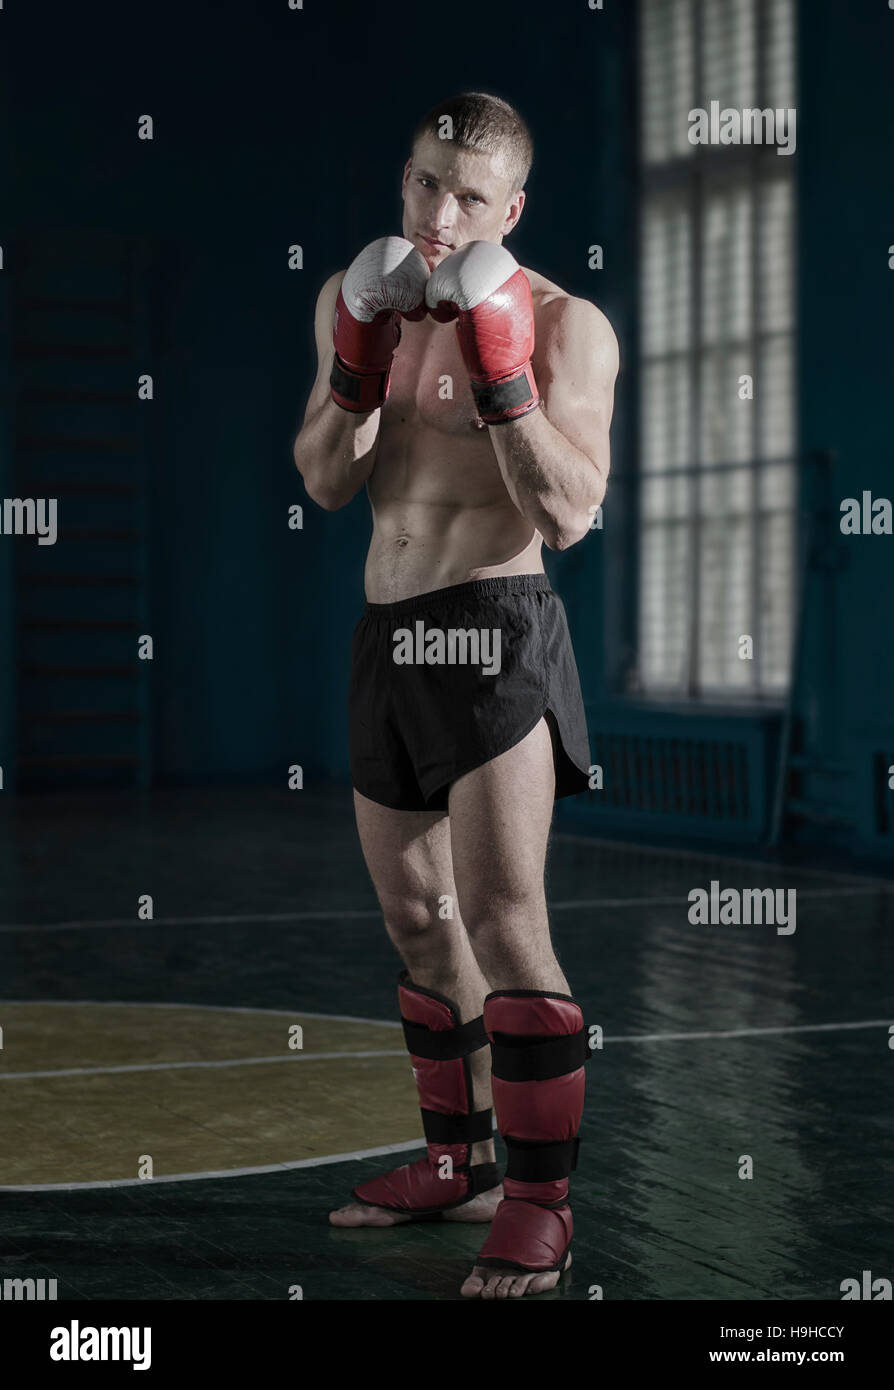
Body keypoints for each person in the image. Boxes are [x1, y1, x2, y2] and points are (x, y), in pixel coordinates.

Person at [293, 91, 618, 1300]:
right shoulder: (355, 292)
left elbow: (573, 513)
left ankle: (541, 1203)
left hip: (494, 628)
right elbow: (324, 481)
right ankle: (457, 1161)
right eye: (425, 183)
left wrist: (505, 377)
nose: (438, 215)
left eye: (469, 197)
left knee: (502, 916)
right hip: (388, 629)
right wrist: (355, 363)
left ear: (512, 210)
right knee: (419, 922)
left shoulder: (564, 324)